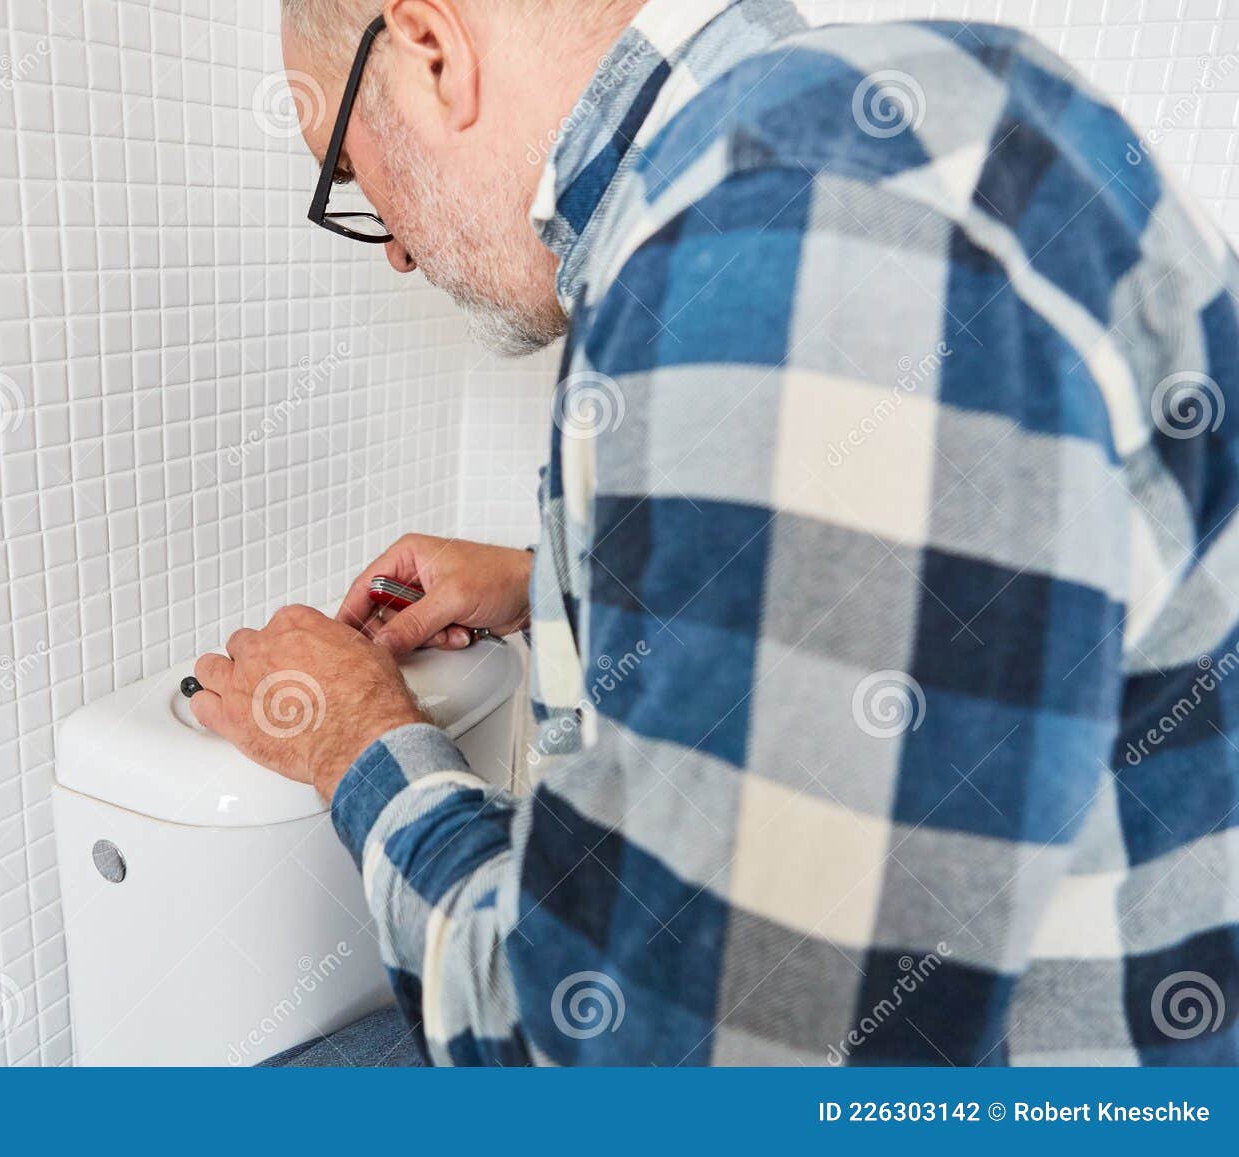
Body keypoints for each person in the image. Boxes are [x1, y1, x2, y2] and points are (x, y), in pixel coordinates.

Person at [189, 0, 1239, 1065]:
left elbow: (644, 1056)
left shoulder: (776, 226)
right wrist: (544, 582)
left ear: (428, 51)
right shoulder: (886, 112)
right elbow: (990, 597)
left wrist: (357, 742)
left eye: (357, 180)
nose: (396, 256)